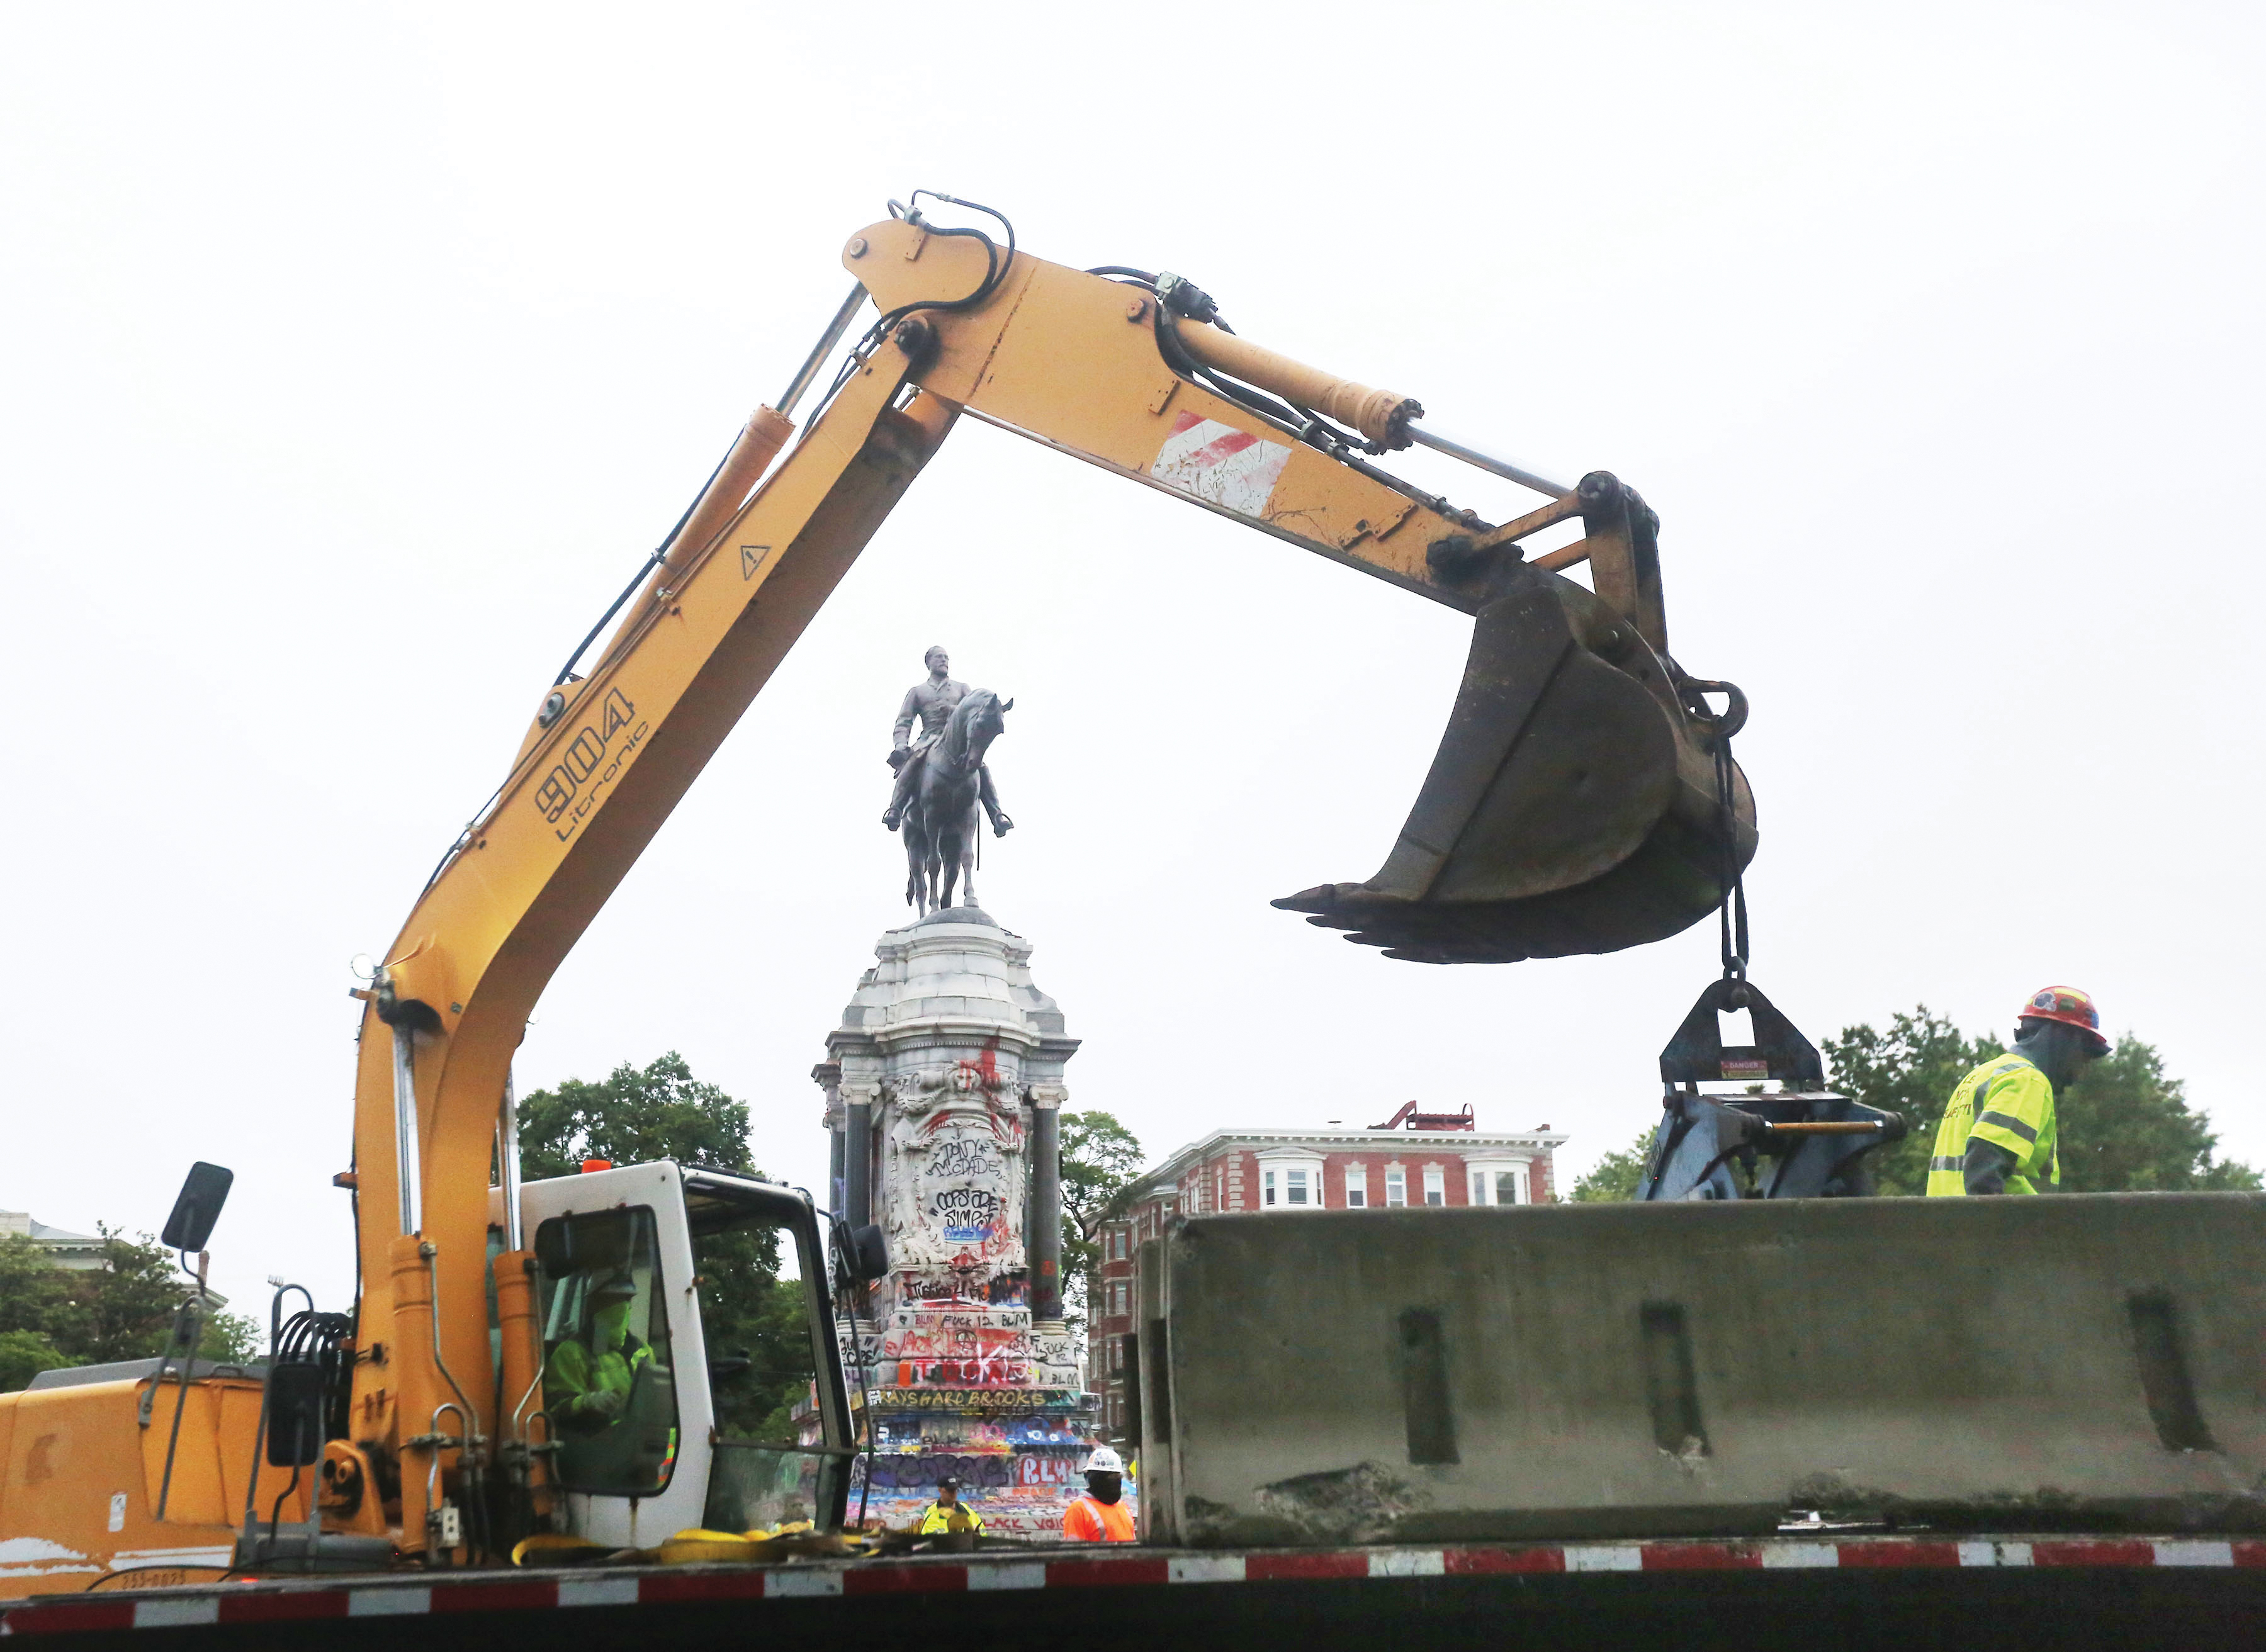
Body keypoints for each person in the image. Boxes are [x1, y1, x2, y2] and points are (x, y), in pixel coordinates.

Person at [1927, 986, 2109, 1197]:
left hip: (1944, 1224)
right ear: (2063, 1040)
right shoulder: (2028, 1080)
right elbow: (1984, 1167)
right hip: (1988, 1227)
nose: (2081, 1072)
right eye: (2085, 1056)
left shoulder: (1981, 1075)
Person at [881, 646, 1012, 835]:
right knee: (914, 761)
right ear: (929, 663)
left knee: (981, 766)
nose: (944, 661)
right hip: (929, 737)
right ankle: (896, 808)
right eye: (939, 657)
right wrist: (901, 744)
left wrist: (955, 711)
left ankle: (997, 815)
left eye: (946, 658)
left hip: (957, 741)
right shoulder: (918, 692)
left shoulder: (962, 688)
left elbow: (975, 714)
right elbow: (904, 721)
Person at [543, 1271, 650, 1433]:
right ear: (595, 1305)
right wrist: (586, 1402)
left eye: (626, 1300)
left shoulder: (643, 1350)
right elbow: (554, 1409)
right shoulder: (572, 1353)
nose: (622, 1307)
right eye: (613, 1300)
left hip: (637, 1440)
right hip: (594, 1444)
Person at [1063, 1444, 1135, 1542]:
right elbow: (1074, 1553)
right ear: (1095, 1478)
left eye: (1117, 1476)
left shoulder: (1123, 1507)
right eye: (1111, 1477)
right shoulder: (1078, 1511)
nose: (1115, 1481)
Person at [917, 1475, 985, 1536]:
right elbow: (929, 1538)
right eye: (950, 1490)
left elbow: (982, 1531)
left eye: (955, 1490)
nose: (953, 1493)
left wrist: (977, 1535)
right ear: (940, 1490)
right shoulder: (933, 1512)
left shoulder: (966, 1509)